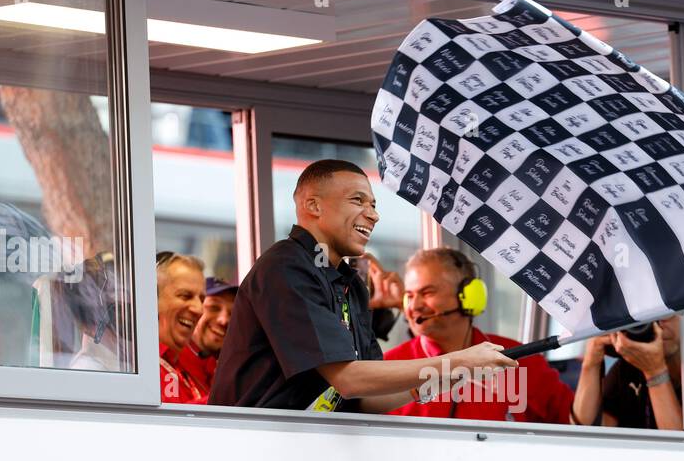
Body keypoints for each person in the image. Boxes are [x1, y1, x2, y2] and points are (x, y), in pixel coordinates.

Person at [208, 159, 513, 412]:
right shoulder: (286, 265)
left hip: (306, 456)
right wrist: (457, 360)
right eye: (358, 200)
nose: (374, 214)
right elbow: (348, 379)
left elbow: (365, 398)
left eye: (374, 204)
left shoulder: (351, 283)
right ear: (313, 205)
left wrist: (446, 377)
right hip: (255, 453)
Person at [385, 247, 574, 424]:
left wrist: (591, 364)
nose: (414, 305)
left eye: (427, 293)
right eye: (409, 296)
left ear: (469, 295)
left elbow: (576, 423)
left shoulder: (520, 360)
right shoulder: (388, 367)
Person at [571, 316, 684, 430]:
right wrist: (591, 364)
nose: (657, 328)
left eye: (665, 315)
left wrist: (655, 372)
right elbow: (582, 432)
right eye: (648, 318)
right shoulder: (627, 369)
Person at [156, 251, 209, 404]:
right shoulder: (135, 369)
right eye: (185, 296)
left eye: (202, 299)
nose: (199, 309)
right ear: (153, 297)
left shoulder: (187, 369)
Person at [178, 275, 238, 392]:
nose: (224, 320)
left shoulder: (234, 370)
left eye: (234, 314)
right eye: (213, 307)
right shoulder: (168, 362)